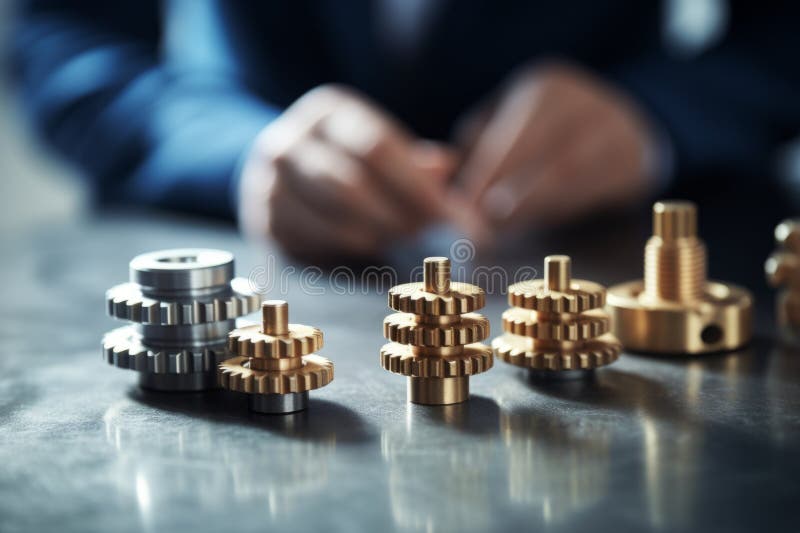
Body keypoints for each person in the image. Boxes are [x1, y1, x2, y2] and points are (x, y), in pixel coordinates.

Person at [12, 1, 800, 261]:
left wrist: (656, 116)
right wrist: (239, 153)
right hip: (235, 249)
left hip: (621, 237)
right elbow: (62, 34)